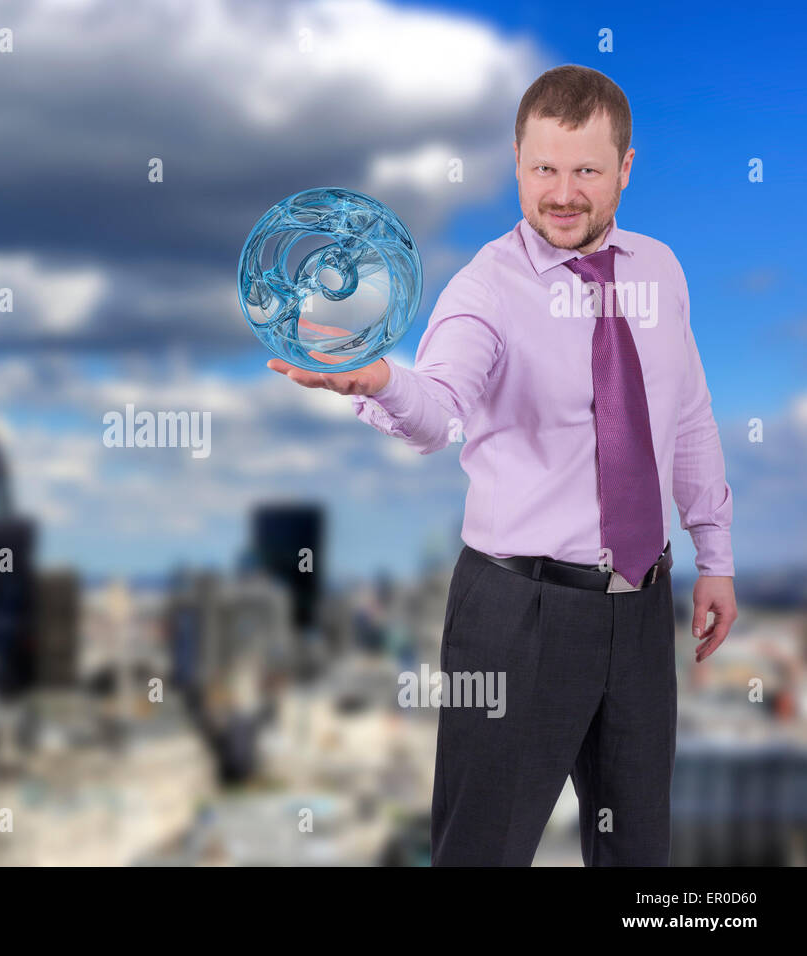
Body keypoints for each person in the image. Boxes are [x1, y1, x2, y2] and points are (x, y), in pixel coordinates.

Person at [268, 64, 736, 866]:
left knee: (640, 857)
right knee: (481, 851)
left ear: (625, 168)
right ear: (517, 162)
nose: (562, 193)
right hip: (519, 615)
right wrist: (378, 380)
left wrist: (715, 556)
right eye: (543, 168)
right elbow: (439, 406)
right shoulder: (484, 291)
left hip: (641, 606)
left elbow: (685, 415)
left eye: (586, 170)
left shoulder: (660, 270)